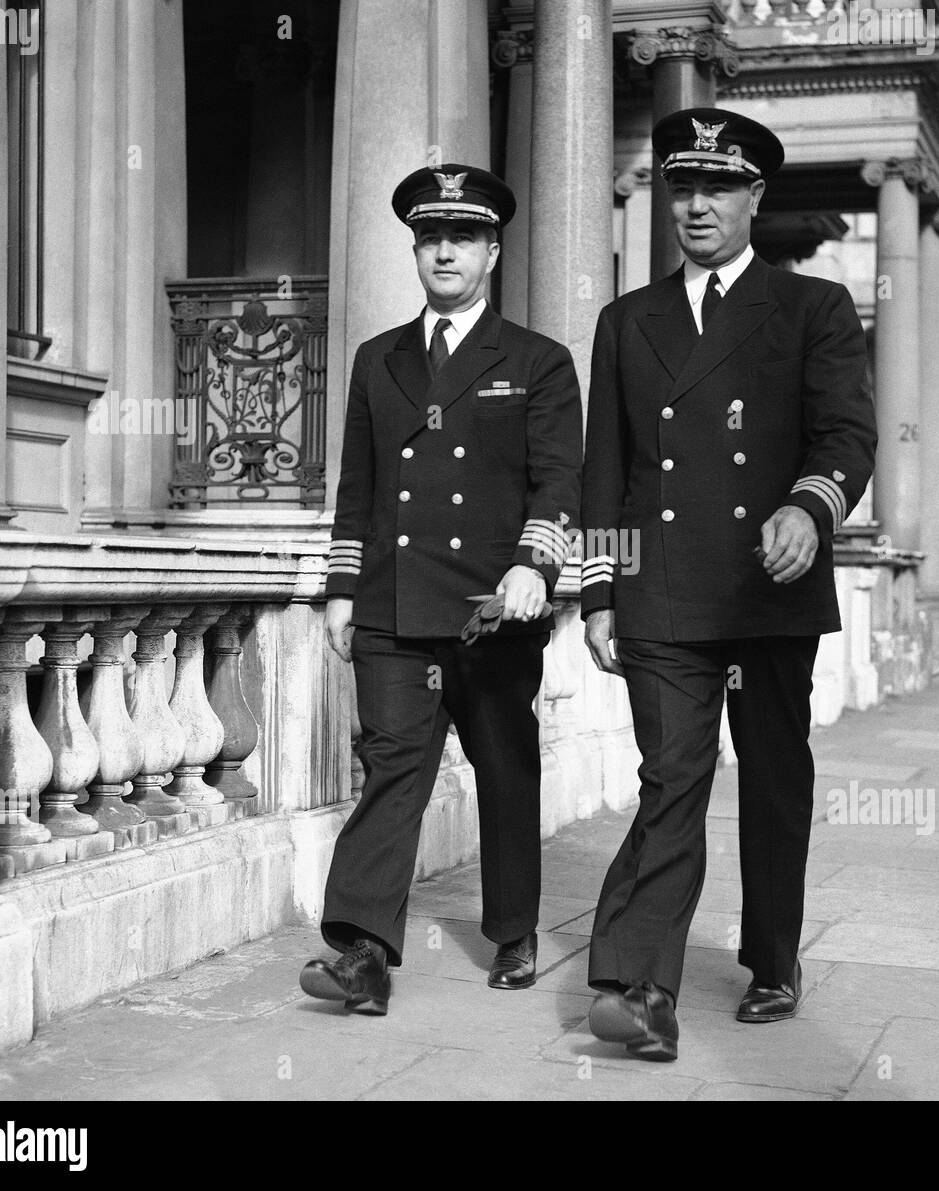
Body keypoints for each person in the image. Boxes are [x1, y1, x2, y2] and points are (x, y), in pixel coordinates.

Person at [579, 108, 876, 1060]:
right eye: (682, 186)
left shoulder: (812, 308)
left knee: (776, 779)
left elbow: (845, 436)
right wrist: (599, 592)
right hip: (662, 588)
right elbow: (608, 469)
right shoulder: (627, 321)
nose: (697, 205)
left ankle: (774, 957)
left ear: (755, 197)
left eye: (718, 187)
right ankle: (641, 986)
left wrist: (811, 506)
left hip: (767, 585)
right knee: (671, 778)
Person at [299, 165, 582, 1013]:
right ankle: (362, 952)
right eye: (430, 238)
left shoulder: (537, 360)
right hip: (391, 605)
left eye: (462, 237)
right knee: (392, 771)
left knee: (503, 769)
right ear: (416, 252)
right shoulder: (377, 358)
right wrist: (342, 587)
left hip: (491, 610)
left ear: (493, 250)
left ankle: (514, 931)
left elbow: (559, 479)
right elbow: (359, 483)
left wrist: (535, 565)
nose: (444, 252)